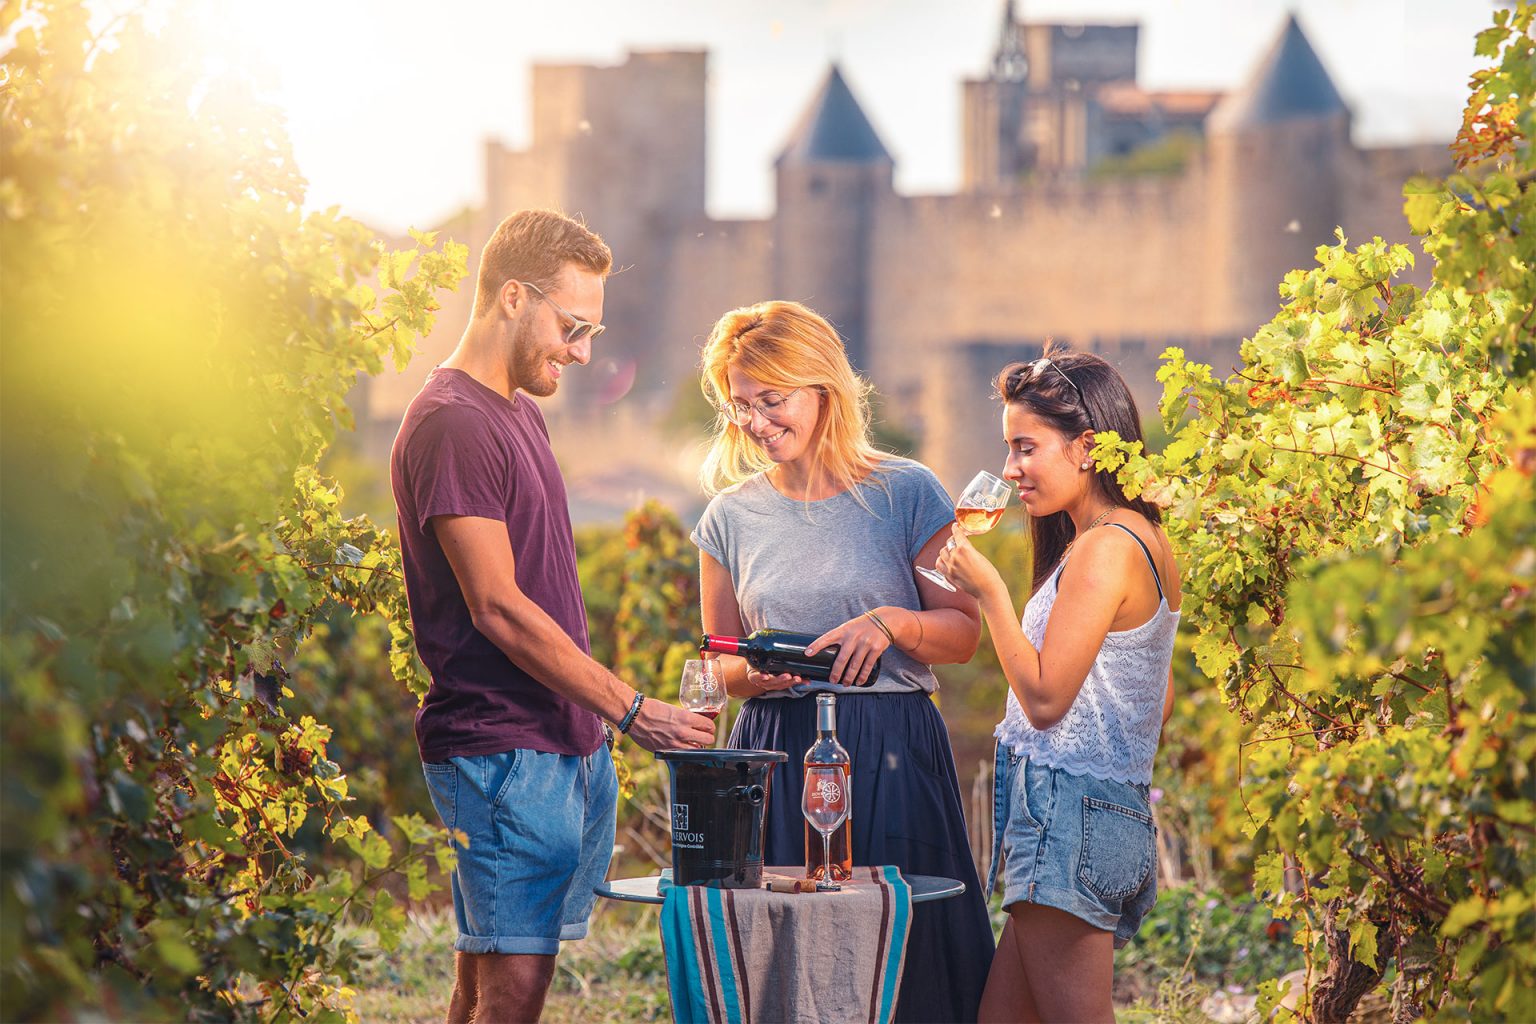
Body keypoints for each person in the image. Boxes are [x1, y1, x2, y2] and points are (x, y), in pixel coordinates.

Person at [390, 209, 715, 1024]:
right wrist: (634, 710)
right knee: (514, 993)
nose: (581, 352)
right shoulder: (455, 423)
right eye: (572, 327)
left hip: (551, 742)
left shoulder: (515, 413)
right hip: (503, 749)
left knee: (486, 978)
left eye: (592, 332)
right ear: (511, 297)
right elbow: (498, 608)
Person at [691, 300, 997, 1023]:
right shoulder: (728, 519)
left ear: (822, 389)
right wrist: (752, 676)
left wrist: (892, 624)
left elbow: (962, 634)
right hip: (771, 753)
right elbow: (720, 663)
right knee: (785, 961)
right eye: (741, 406)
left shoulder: (908, 492)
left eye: (773, 401)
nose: (757, 423)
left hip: (891, 749)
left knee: (906, 957)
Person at [934, 345, 1182, 1024]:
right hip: (1100, 811)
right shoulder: (1140, 537)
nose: (1010, 470)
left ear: (1086, 448)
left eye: (1025, 448)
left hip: (1066, 814)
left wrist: (990, 594)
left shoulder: (1105, 549)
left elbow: (1044, 701)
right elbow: (1152, 698)